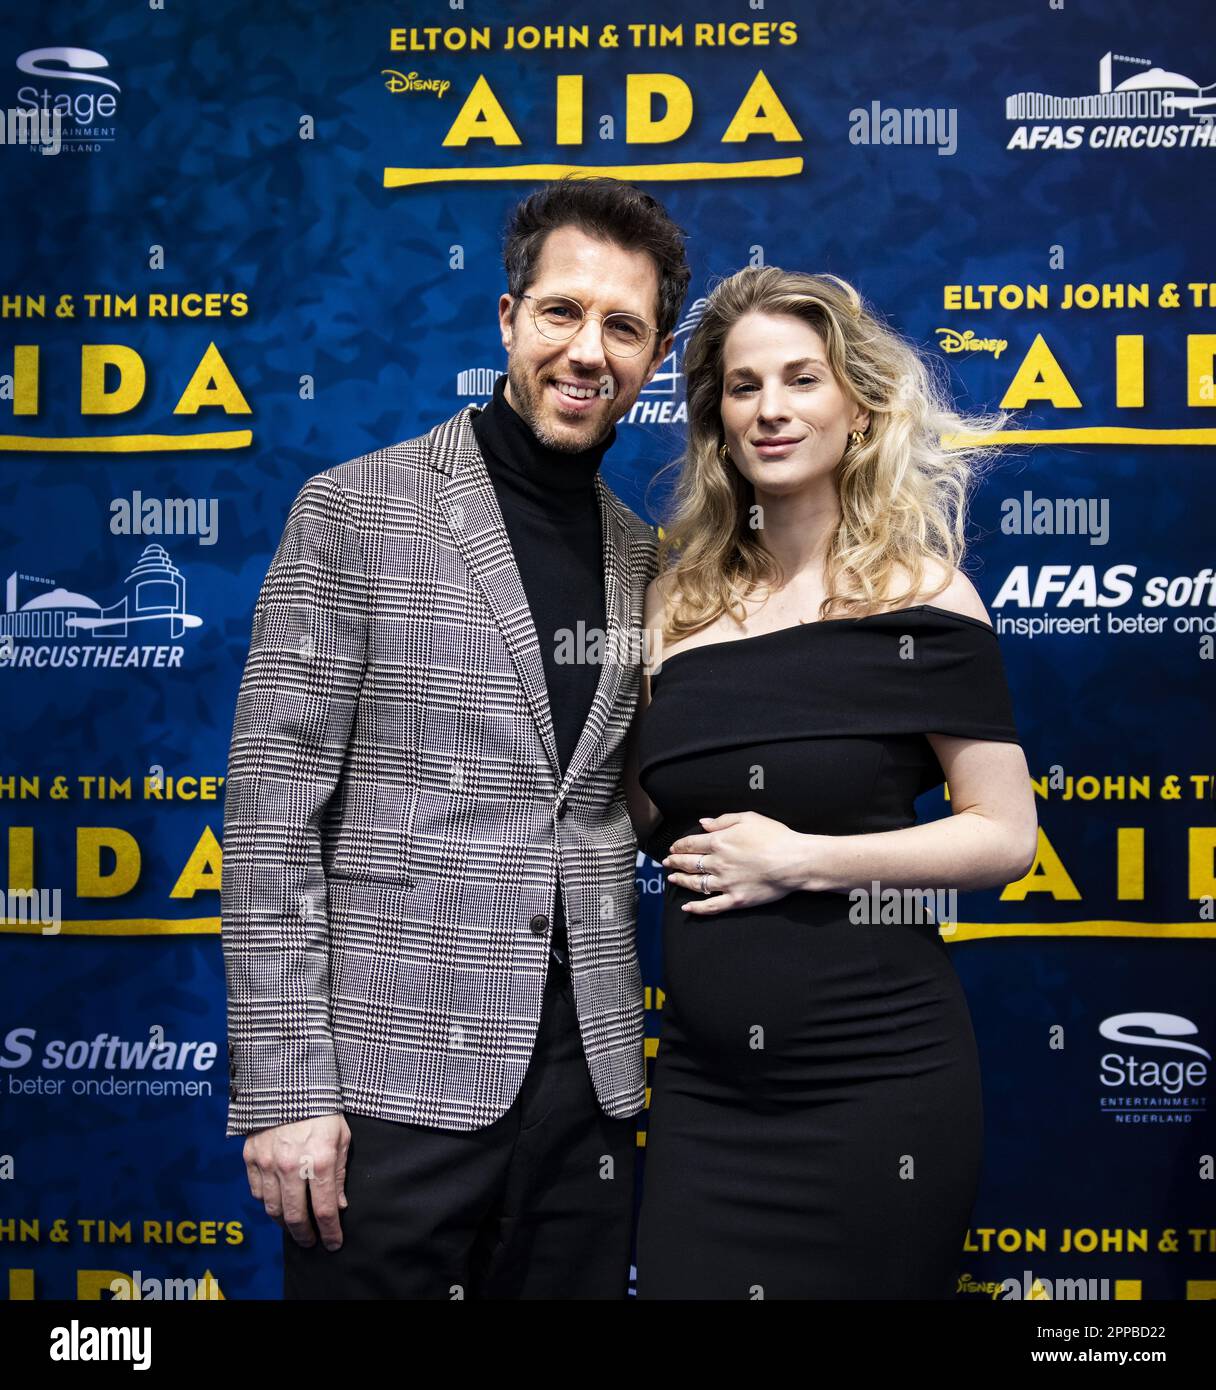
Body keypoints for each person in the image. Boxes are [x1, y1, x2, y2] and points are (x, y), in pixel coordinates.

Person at [221, 176, 689, 1298]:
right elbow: (271, 812)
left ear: (656, 354)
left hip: (589, 1093)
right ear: (507, 320)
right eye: (561, 312)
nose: (587, 351)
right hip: (389, 1090)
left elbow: (621, 799)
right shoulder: (356, 511)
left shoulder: (650, 558)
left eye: (622, 326)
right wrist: (288, 1092)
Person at [624, 266, 1038, 1299]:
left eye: (800, 379)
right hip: (705, 1096)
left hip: (880, 1087)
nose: (770, 408)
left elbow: (1002, 834)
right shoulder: (673, 607)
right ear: (714, 417)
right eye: (741, 384)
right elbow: (637, 813)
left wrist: (804, 861)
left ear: (856, 405)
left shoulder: (923, 595)